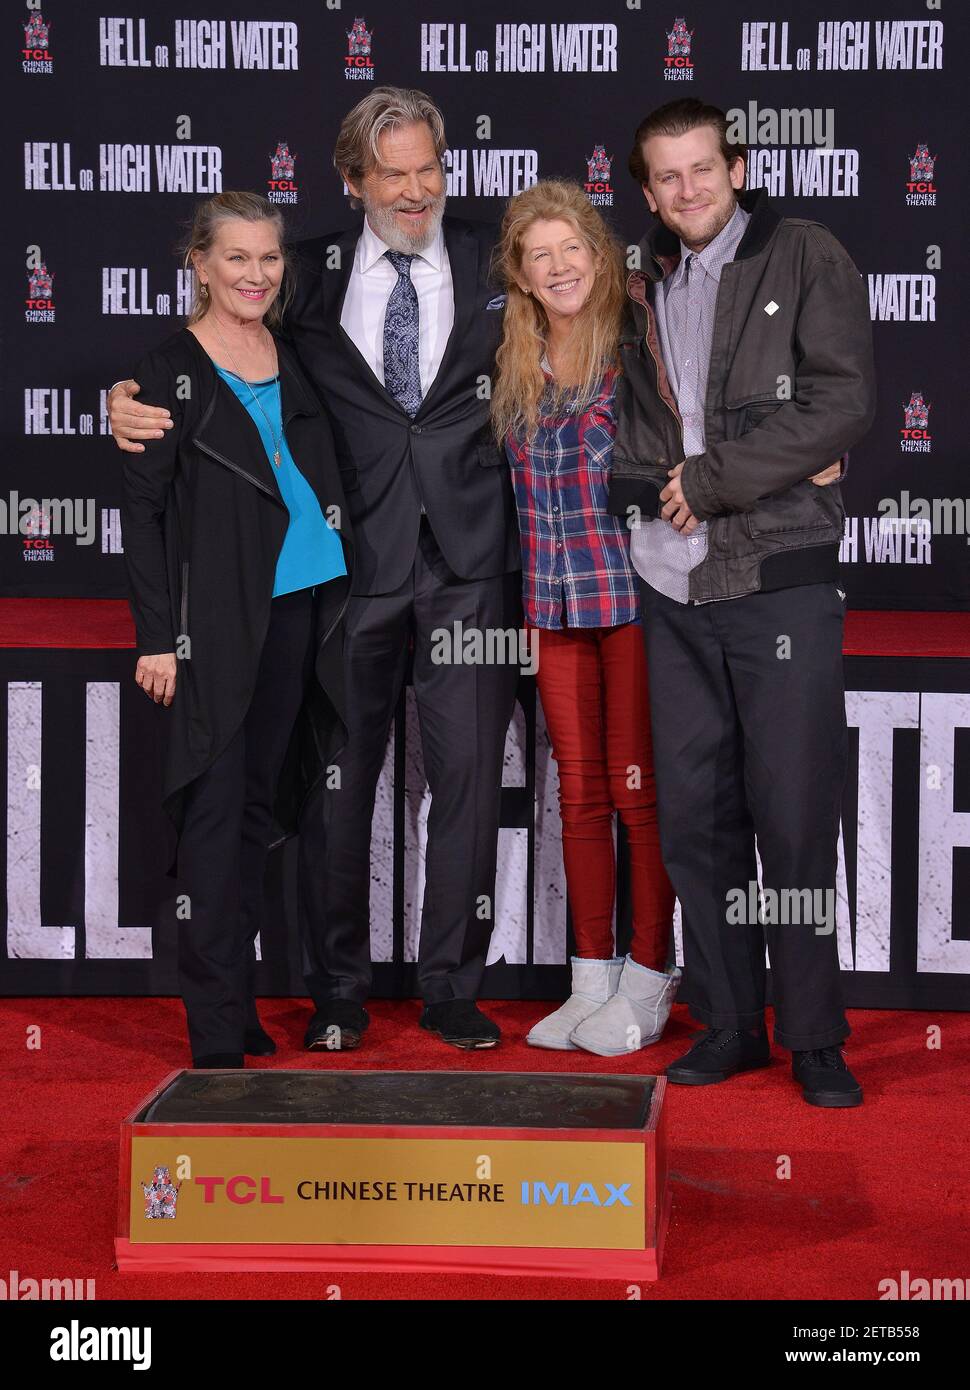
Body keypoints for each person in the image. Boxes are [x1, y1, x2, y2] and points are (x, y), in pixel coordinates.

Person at [110, 89, 521, 1052]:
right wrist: (124, 400)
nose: (416, 190)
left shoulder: (499, 256)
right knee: (335, 787)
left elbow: (592, 330)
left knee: (464, 785)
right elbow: (204, 357)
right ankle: (335, 989)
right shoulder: (303, 278)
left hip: (470, 565)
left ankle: (450, 987)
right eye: (393, 174)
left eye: (430, 168)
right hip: (347, 574)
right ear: (353, 182)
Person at [612, 98, 876, 1105]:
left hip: (776, 578)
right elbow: (634, 427)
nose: (687, 191)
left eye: (701, 169)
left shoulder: (804, 252)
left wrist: (716, 479)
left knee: (795, 812)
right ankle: (730, 1020)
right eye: (666, 178)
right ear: (647, 190)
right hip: (669, 585)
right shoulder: (641, 277)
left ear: (735, 164)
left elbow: (840, 404)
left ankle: (811, 1033)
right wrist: (645, 502)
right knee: (696, 817)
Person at [120, 191, 353, 1069]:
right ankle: (216, 1030)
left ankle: (241, 1010)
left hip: (302, 606)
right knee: (217, 822)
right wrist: (154, 637)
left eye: (269, 259)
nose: (255, 275)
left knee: (257, 814)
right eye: (237, 260)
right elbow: (141, 519)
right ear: (201, 265)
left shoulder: (285, 350)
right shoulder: (164, 369)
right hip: (212, 628)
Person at [491, 181, 679, 1056]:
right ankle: (589, 978)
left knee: (639, 796)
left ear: (599, 257)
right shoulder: (514, 355)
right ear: (521, 275)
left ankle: (651, 979)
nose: (559, 267)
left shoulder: (636, 341)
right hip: (552, 603)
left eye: (572, 249)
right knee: (578, 793)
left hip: (633, 599)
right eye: (540, 255)